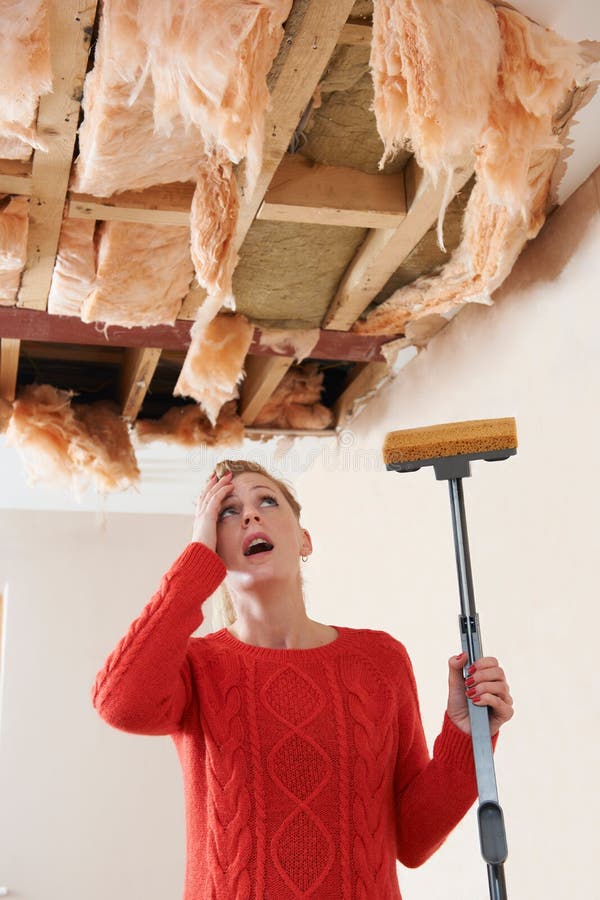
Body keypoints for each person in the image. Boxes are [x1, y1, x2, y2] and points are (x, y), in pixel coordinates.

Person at [93, 459, 513, 899]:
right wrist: (195, 561)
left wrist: (467, 736)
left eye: (266, 501)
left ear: (304, 540)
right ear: (213, 549)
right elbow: (119, 702)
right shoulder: (195, 665)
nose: (250, 515)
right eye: (227, 512)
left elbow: (413, 839)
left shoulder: (379, 659)